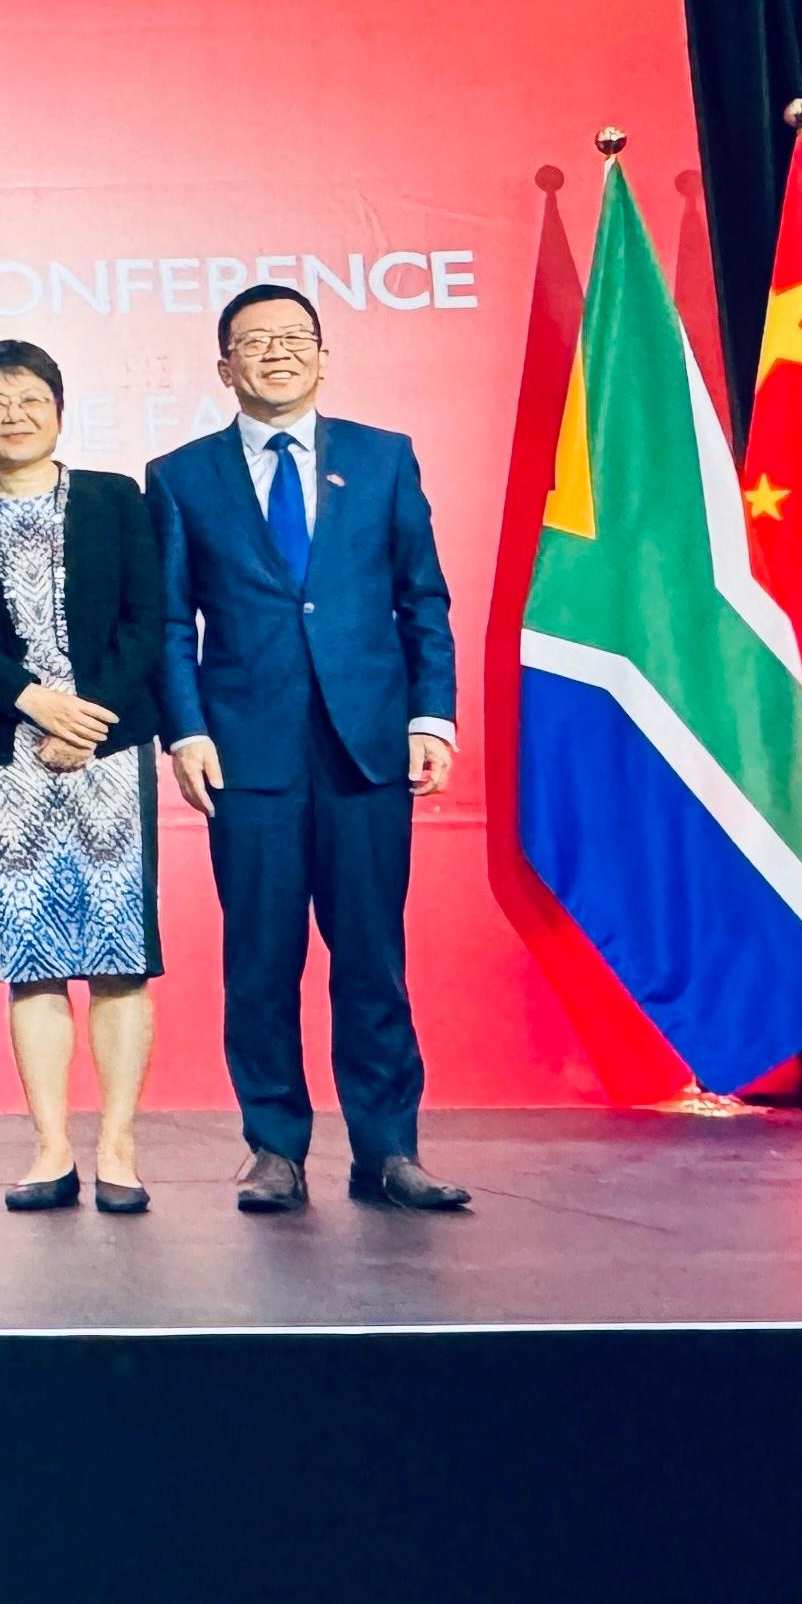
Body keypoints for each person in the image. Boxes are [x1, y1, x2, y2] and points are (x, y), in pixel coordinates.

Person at [152, 284, 469, 1215]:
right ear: (224, 367)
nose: (278, 353)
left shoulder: (382, 457)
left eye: (296, 338)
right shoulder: (178, 475)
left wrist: (431, 717)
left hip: (365, 748)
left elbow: (422, 598)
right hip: (244, 757)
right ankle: (273, 1149)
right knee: (260, 959)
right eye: (255, 342)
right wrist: (186, 730)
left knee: (371, 956)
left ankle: (388, 1150)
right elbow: (169, 621)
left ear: (324, 357)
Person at [0, 341, 165, 1215]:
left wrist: (86, 716)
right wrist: (32, 703)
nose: (13, 415)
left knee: (119, 957)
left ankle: (118, 1148)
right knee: (32, 959)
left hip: (108, 749)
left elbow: (146, 617)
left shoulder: (114, 499)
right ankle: (51, 1148)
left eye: (29, 399)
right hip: (6, 758)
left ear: (58, 410)